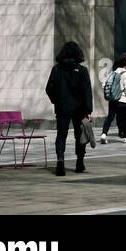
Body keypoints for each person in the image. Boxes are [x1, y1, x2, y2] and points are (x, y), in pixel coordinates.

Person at [44, 41, 93, 176]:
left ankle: (60, 162)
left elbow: (49, 88)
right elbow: (87, 91)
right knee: (80, 136)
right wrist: (88, 110)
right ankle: (79, 162)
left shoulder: (56, 69)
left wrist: (56, 100)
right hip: (79, 109)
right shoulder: (82, 70)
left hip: (62, 108)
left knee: (61, 135)